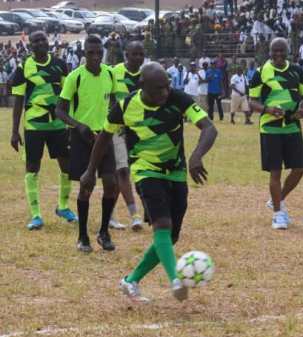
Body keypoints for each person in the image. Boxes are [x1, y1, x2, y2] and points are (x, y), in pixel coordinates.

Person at [82, 63, 217, 303]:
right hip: (146, 171)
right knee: (161, 225)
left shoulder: (178, 99)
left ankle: (130, 280)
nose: (164, 93)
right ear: (142, 86)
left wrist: (196, 156)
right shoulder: (124, 107)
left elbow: (209, 127)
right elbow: (103, 138)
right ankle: (176, 279)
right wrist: (90, 171)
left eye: (167, 87)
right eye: (158, 89)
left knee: (169, 237)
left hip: (175, 172)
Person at [55, 35, 119, 253]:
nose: (95, 56)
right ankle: (83, 235)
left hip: (105, 136)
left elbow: (115, 101)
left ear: (103, 53)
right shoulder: (75, 77)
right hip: (82, 138)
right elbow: (59, 109)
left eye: (98, 52)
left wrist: (115, 121)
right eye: (90, 52)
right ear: (84, 54)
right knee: (86, 186)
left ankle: (103, 232)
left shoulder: (110, 74)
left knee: (111, 183)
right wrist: (78, 125)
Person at [9, 31, 75, 231]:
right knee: (32, 168)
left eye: (42, 40)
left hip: (58, 126)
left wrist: (71, 124)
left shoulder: (60, 65)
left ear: (48, 43)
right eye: (35, 41)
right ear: (30, 46)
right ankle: (36, 215)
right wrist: (14, 131)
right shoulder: (23, 68)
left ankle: (63, 207)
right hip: (33, 127)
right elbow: (18, 100)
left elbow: (68, 96)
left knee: (67, 167)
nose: (39, 43)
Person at [248, 38, 303, 231]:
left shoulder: (298, 71)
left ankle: (278, 198)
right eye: (275, 51)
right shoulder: (261, 73)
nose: (279, 55)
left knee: (299, 168)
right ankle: (278, 215)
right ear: (269, 52)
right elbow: (252, 101)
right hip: (270, 128)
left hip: (292, 126)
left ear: (289, 51)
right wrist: (267, 109)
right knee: (275, 172)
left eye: (282, 51)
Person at [109, 40, 146, 232]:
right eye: (134, 54)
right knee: (122, 171)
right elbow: (108, 100)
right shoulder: (114, 72)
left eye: (141, 54)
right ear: (126, 55)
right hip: (118, 129)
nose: (138, 58)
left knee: (136, 172)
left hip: (140, 131)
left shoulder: (147, 74)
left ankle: (110, 215)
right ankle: (135, 216)